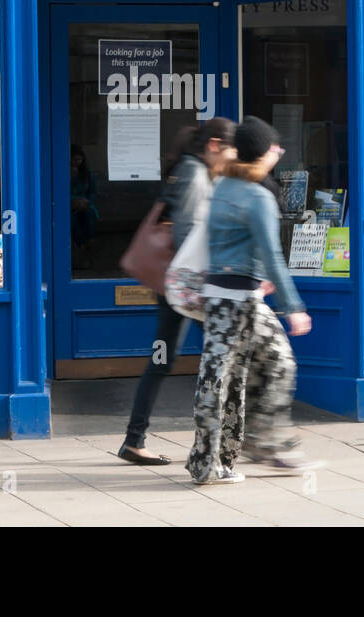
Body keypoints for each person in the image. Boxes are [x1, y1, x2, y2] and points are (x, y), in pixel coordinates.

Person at [186, 117, 323, 485]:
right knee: (274, 365)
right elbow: (273, 255)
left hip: (220, 298)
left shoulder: (223, 186)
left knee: (221, 378)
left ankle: (217, 460)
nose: (278, 152)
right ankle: (262, 443)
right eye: (273, 147)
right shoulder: (257, 196)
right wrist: (294, 306)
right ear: (261, 153)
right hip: (242, 301)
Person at [119, 118, 236, 466]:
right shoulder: (194, 173)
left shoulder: (192, 169)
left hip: (178, 287)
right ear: (214, 145)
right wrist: (207, 284)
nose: (232, 158)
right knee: (227, 353)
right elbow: (187, 234)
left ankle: (133, 439)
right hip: (187, 289)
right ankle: (253, 436)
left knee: (163, 360)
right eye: (230, 150)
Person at [69, 144, 98, 266]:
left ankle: (89, 240)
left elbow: (92, 192)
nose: (77, 163)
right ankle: (81, 244)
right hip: (68, 206)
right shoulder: (63, 173)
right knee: (71, 219)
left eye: (79, 160)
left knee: (89, 214)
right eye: (74, 159)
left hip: (84, 204)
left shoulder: (87, 174)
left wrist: (86, 202)